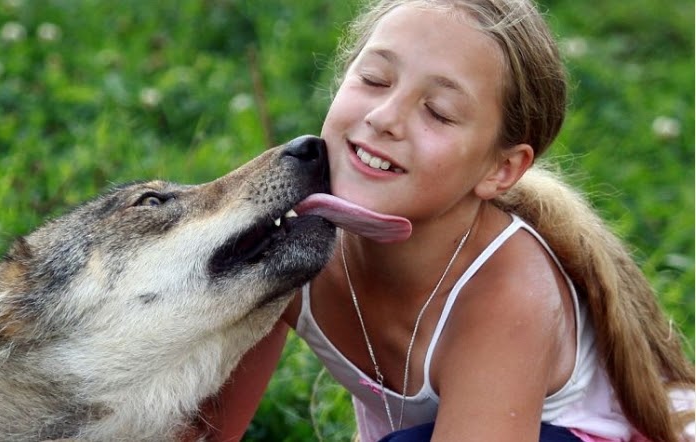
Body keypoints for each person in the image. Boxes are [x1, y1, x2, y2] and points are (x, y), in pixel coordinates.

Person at [194, 1, 695, 441]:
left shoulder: (508, 292)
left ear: (501, 169)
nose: (385, 117)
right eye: (374, 79)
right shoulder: (296, 238)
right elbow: (207, 431)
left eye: (438, 111)